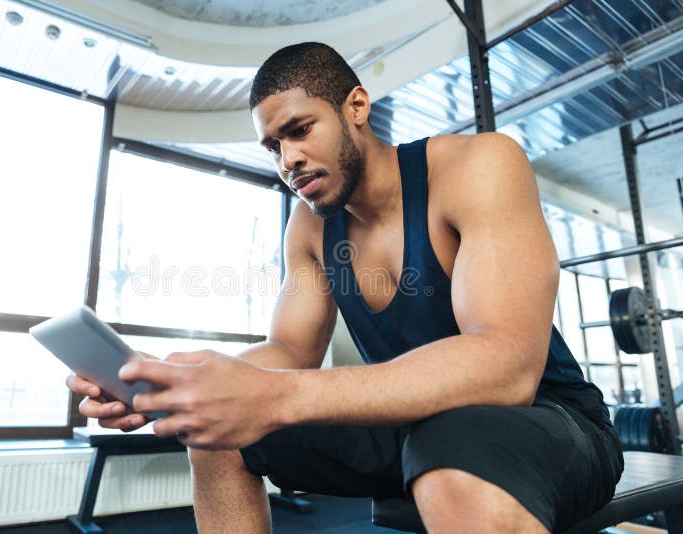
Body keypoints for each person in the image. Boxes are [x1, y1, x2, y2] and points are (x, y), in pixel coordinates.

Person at [66, 42, 623, 533]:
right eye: (272, 147)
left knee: (455, 448)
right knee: (218, 433)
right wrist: (178, 380)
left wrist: (274, 397)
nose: (288, 159)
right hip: (411, 421)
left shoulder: (476, 166)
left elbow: (508, 367)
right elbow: (290, 352)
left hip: (546, 419)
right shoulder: (309, 226)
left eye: (300, 130)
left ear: (356, 107)